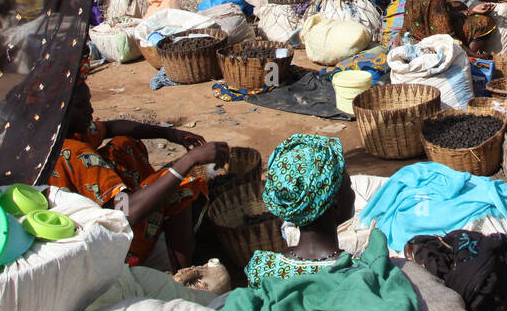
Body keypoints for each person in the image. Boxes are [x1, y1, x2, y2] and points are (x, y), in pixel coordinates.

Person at [50, 80, 225, 270]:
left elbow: (110, 128)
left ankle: (158, 215)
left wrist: (170, 134)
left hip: (95, 208)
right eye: (81, 105)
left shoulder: (58, 133)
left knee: (124, 145)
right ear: (62, 110)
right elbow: (124, 211)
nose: (90, 109)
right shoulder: (75, 153)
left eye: (88, 101)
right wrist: (188, 161)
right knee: (182, 187)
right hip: (110, 238)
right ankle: (185, 273)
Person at [245, 135, 356, 286]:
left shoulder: (263, 270)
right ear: (335, 203)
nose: (353, 193)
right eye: (349, 186)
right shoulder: (358, 273)